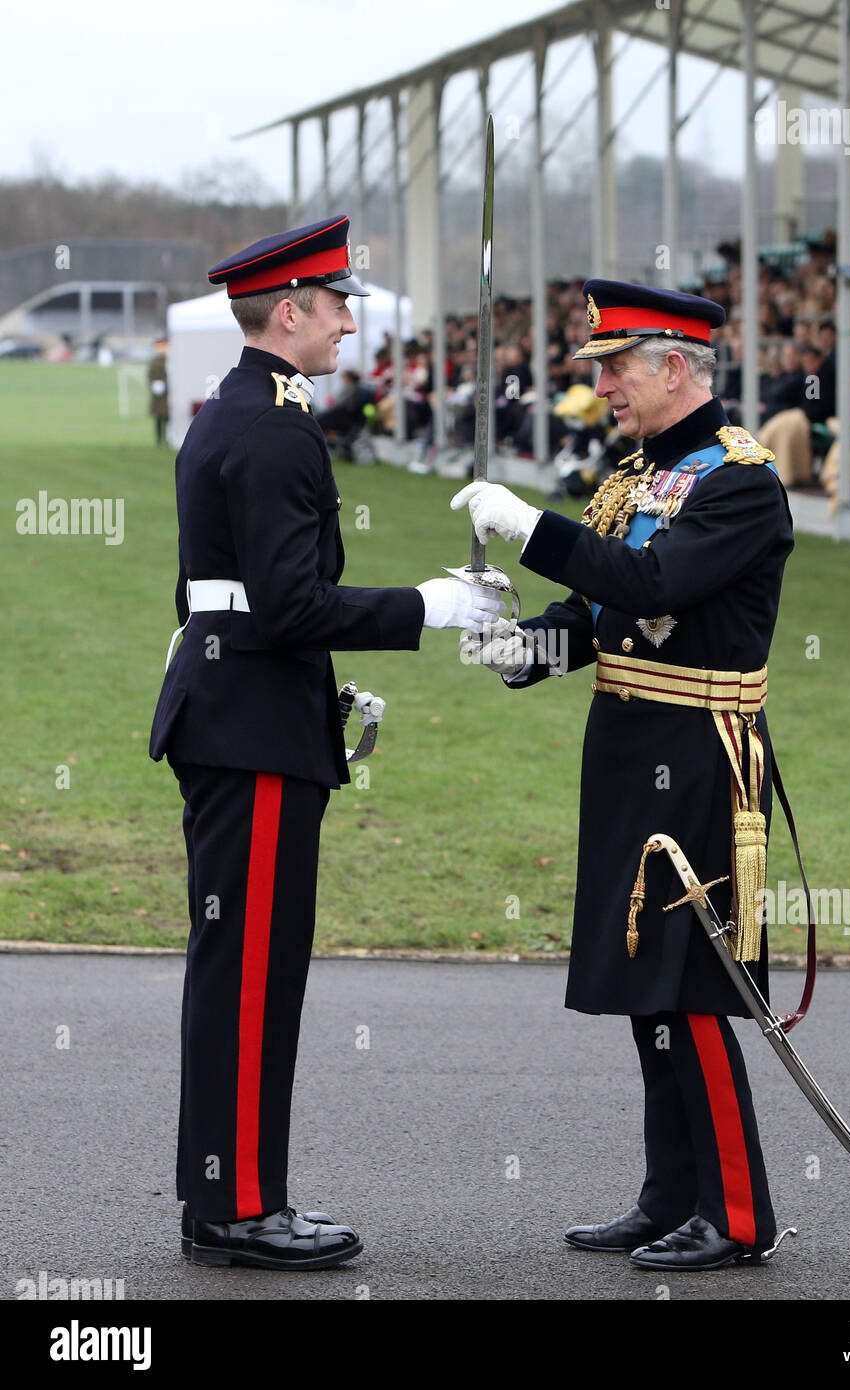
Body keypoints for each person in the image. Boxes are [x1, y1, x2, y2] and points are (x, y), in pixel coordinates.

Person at [149, 215, 502, 1271]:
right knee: (251, 968)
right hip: (249, 729)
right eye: (338, 302)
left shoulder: (245, 411)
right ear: (290, 309)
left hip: (244, 710)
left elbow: (232, 600)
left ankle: (225, 1192)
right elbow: (287, 602)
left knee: (243, 963)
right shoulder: (269, 426)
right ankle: (238, 1205)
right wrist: (434, 606)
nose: (351, 320)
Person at [453, 279, 795, 1271]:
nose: (600, 385)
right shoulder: (631, 476)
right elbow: (596, 614)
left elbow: (651, 584)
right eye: (598, 369)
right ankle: (668, 1194)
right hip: (627, 751)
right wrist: (507, 643)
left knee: (690, 987)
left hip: (696, 759)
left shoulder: (739, 481)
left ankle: (737, 1212)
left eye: (615, 367)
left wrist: (528, 523)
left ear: (676, 369)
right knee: (648, 987)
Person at [148, 338, 169, 446]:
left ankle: (168, 438)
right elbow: (150, 376)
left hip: (168, 395)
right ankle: (159, 439)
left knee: (168, 417)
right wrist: (154, 385)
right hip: (157, 395)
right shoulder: (154, 362)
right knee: (158, 418)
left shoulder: (170, 360)